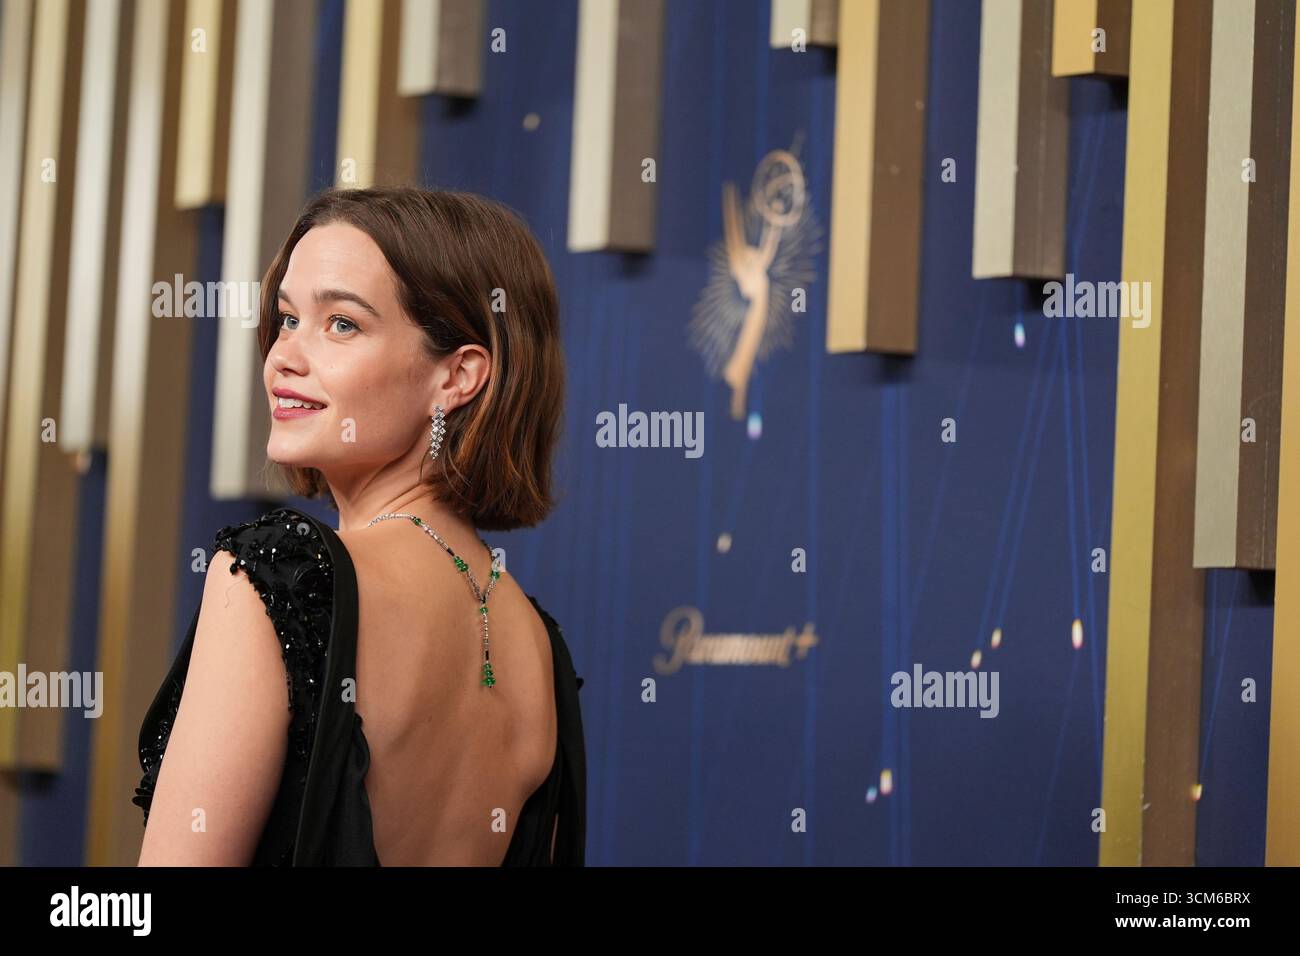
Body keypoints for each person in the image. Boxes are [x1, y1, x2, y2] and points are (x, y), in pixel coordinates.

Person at [133, 185, 585, 866]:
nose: (284, 356)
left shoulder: (279, 575)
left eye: (342, 323)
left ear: (457, 376)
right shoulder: (538, 647)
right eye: (287, 319)